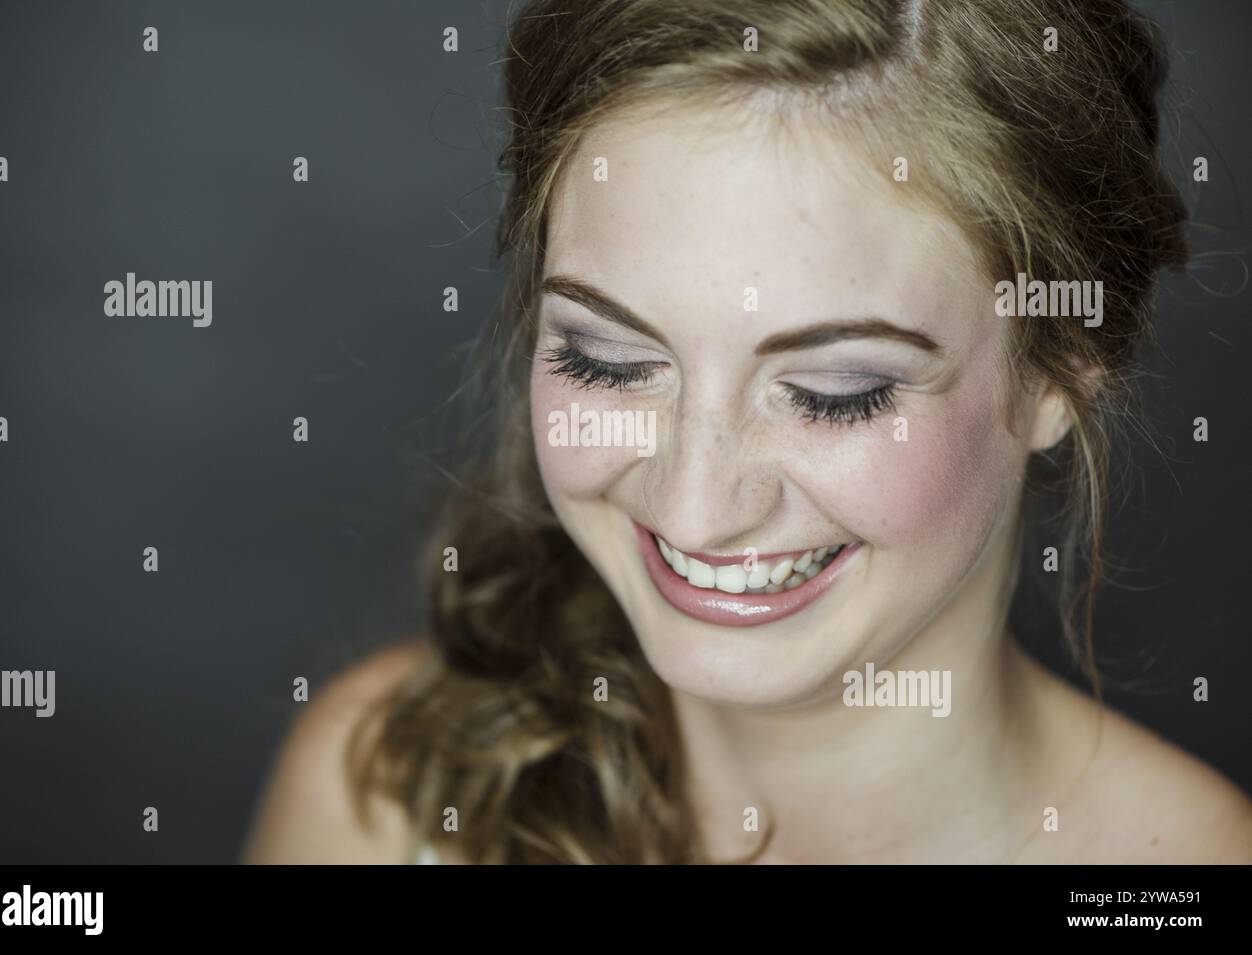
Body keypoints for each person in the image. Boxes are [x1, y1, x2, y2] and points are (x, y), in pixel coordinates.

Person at [242, 0, 1252, 864]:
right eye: (608, 360)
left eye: (833, 391)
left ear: (1060, 372)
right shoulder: (385, 799)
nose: (696, 506)